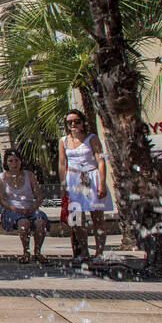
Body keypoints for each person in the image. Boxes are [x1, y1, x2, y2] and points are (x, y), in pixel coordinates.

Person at [57, 108, 113, 263]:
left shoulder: (91, 138)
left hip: (91, 177)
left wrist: (102, 184)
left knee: (97, 218)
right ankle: (84, 252)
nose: (73, 124)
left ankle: (99, 252)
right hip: (73, 179)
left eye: (77, 121)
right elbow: (62, 164)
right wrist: (63, 185)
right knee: (77, 220)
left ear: (82, 123)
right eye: (70, 122)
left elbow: (101, 161)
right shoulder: (63, 141)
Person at [0, 148, 49, 263]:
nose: (14, 164)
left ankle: (38, 251)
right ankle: (26, 252)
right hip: (12, 209)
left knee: (40, 222)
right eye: (10, 161)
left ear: (21, 162)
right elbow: (2, 200)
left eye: (16, 160)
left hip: (30, 207)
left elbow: (39, 197)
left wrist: (32, 208)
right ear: (6, 163)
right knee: (24, 223)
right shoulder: (1, 178)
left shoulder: (29, 175)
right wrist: (15, 209)